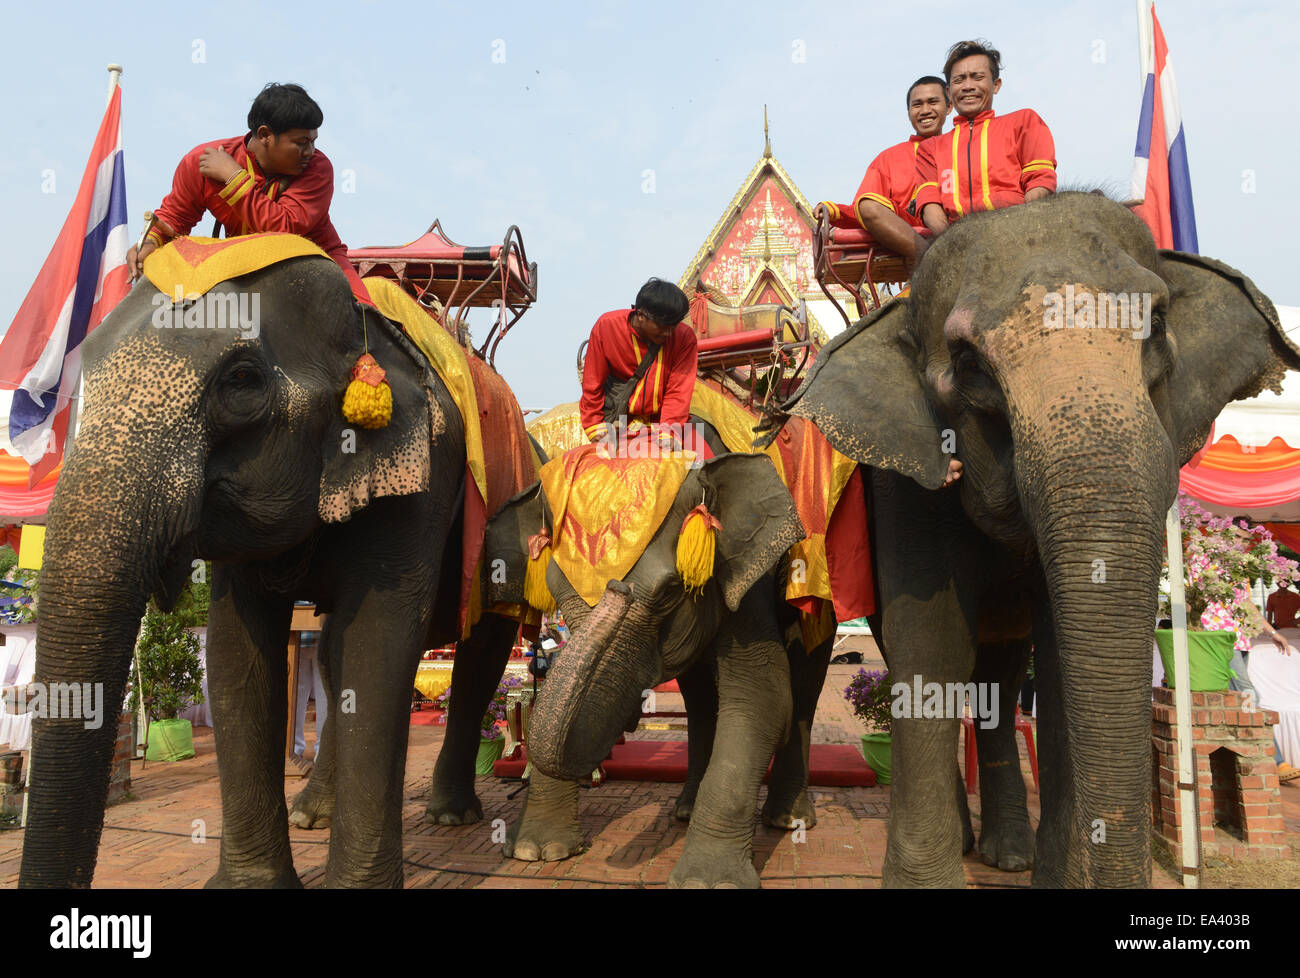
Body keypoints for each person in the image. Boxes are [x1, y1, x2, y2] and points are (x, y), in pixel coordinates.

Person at [125, 82, 370, 303]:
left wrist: (232, 176)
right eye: (301, 142)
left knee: (363, 320)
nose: (310, 151)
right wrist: (149, 242)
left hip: (317, 259)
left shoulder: (318, 167)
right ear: (264, 135)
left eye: (313, 141)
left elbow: (285, 228)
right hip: (237, 265)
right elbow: (174, 218)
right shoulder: (199, 162)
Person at [914, 40, 1057, 237]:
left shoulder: (1024, 121)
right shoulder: (930, 148)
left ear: (996, 85)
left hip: (1018, 231)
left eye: (977, 77)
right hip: (957, 241)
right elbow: (930, 206)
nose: (968, 86)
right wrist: (954, 245)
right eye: (959, 80)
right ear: (948, 92)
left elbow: (1040, 182)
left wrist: (1022, 231)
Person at [821, 75, 951, 276]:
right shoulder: (889, 158)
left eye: (933, 102)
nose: (925, 110)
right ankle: (933, 262)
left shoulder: (962, 148)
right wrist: (834, 211)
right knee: (869, 204)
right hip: (907, 228)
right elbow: (865, 211)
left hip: (955, 225)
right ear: (908, 112)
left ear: (949, 107)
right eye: (917, 104)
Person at [579, 278, 700, 451]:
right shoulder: (607, 326)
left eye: (673, 326)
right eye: (662, 326)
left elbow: (678, 390)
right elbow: (592, 382)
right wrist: (594, 426)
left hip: (661, 424)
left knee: (701, 460)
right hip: (615, 422)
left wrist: (668, 433)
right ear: (641, 315)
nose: (669, 332)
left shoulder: (684, 337)